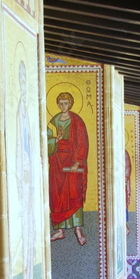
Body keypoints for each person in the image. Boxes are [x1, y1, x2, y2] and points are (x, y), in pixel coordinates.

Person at [15, 60, 38, 279]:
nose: (22, 83)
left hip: (30, 190)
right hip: (22, 191)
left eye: (25, 77)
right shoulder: (17, 109)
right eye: (20, 77)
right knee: (24, 251)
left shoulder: (26, 111)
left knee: (31, 250)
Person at [47, 91, 88, 245]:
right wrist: (54, 140)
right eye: (60, 103)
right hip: (57, 161)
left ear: (70, 104)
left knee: (73, 194)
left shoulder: (76, 120)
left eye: (66, 103)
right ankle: (59, 230)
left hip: (72, 161)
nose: (63, 106)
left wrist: (77, 162)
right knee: (57, 194)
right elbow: (46, 138)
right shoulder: (54, 120)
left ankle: (77, 228)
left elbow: (82, 142)